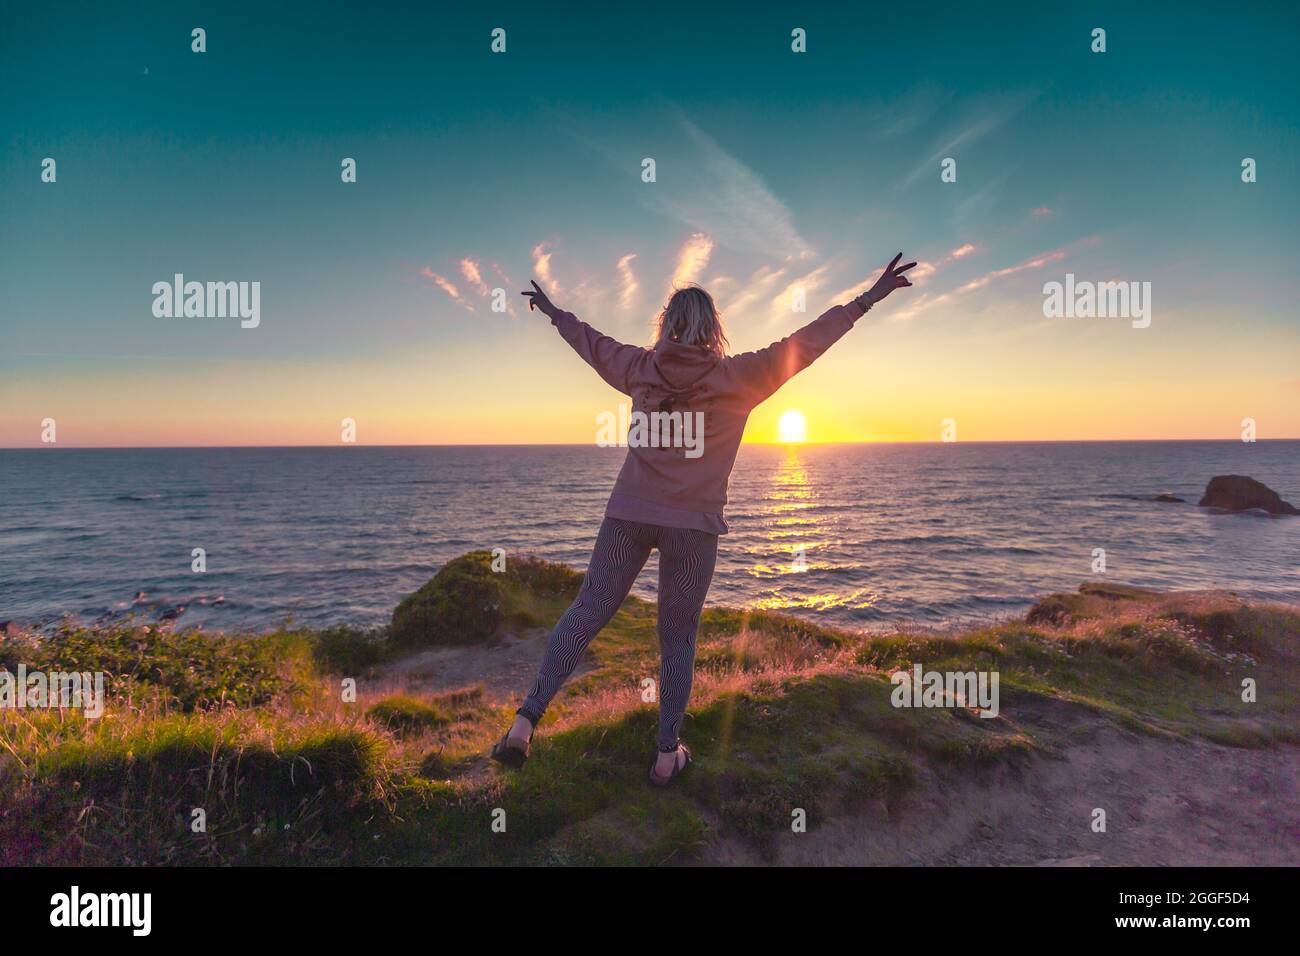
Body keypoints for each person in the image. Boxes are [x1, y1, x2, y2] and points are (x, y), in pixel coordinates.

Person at [491, 254, 916, 784]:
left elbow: (591, 344)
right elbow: (804, 345)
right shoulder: (739, 377)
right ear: (713, 329)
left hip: (629, 512)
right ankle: (666, 756)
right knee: (678, 637)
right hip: (692, 526)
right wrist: (867, 299)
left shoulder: (639, 368)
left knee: (587, 611)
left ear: (666, 324)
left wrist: (556, 313)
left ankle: (524, 724)